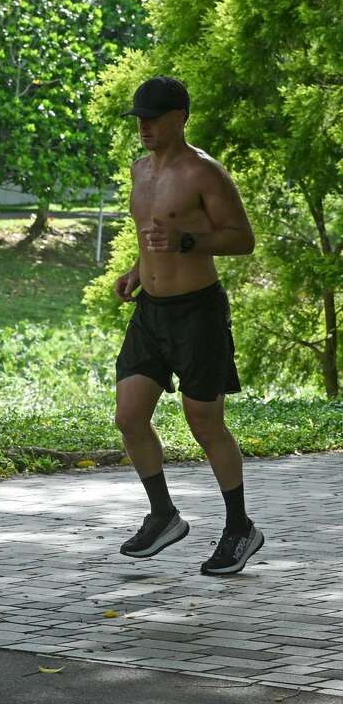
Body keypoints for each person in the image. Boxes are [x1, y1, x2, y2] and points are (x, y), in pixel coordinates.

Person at [113, 76, 263, 575]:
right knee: (129, 416)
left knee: (205, 422)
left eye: (153, 118)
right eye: (139, 118)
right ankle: (164, 515)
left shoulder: (205, 173)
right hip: (151, 312)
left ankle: (240, 527)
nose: (145, 127)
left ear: (180, 116)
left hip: (198, 313)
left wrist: (188, 243)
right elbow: (150, 236)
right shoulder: (139, 170)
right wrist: (137, 271)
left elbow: (242, 239)